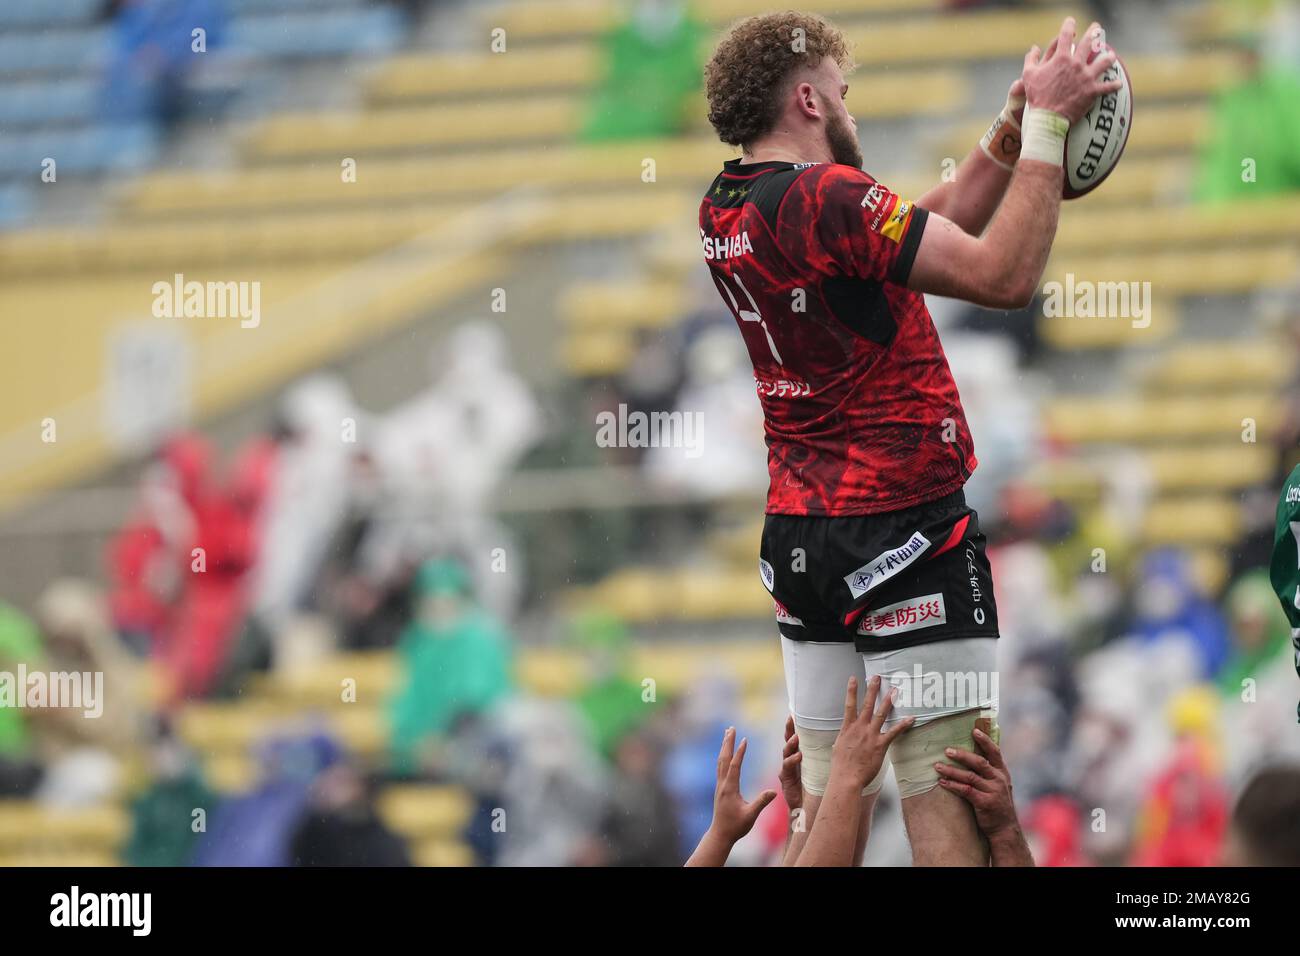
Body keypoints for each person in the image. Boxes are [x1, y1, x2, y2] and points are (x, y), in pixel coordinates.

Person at [698, 11, 1121, 865]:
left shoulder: (727, 204)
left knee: (820, 825)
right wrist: (1044, 128)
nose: (851, 107)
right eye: (842, 93)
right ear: (810, 98)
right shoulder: (830, 198)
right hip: (907, 533)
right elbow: (1001, 274)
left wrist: (1006, 135)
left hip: (801, 546)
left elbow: (917, 229)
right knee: (951, 821)